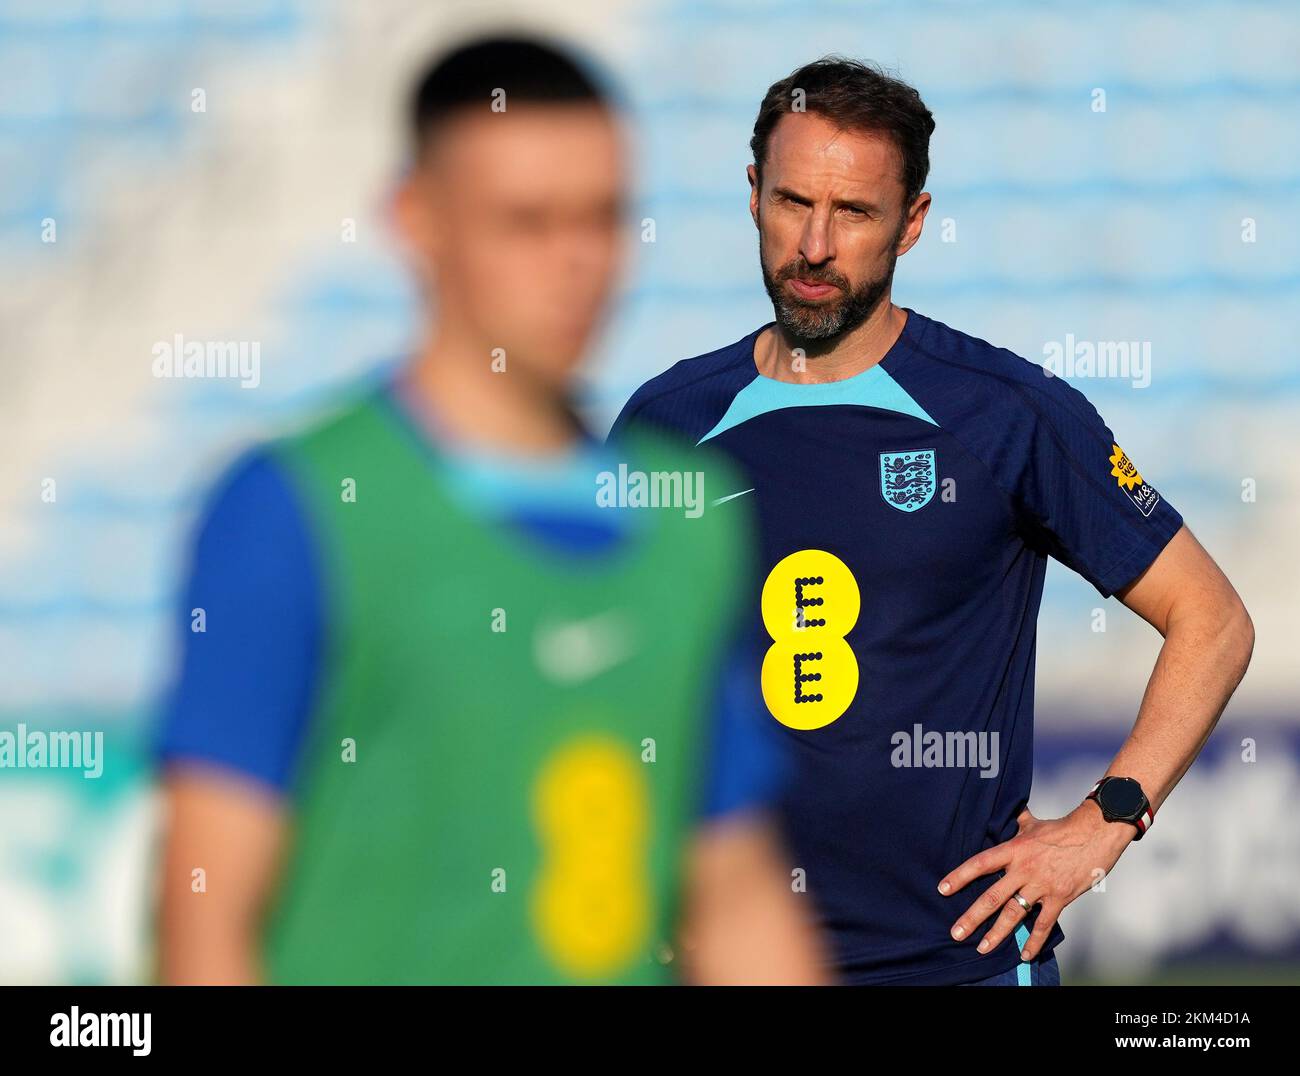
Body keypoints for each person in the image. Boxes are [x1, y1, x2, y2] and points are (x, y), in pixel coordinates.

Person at [154, 35, 826, 986]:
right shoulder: (291, 510)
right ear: (416, 219)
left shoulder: (691, 519)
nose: (576, 262)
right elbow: (204, 921)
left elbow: (735, 895)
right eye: (526, 222)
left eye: (601, 219)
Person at [610, 55, 1254, 986]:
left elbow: (1214, 620)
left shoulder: (1006, 412)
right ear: (752, 194)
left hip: (966, 966)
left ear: (912, 223)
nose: (817, 245)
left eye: (856, 212)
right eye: (794, 202)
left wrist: (1103, 822)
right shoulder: (667, 424)